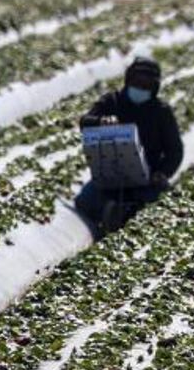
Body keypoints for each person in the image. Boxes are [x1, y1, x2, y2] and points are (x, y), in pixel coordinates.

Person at [76, 57, 183, 237]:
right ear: (128, 80)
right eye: (137, 82)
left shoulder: (161, 112)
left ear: (154, 87)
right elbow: (85, 122)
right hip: (111, 176)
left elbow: (175, 151)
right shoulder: (112, 102)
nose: (140, 88)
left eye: (146, 84)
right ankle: (102, 226)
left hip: (147, 180)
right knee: (85, 202)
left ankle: (125, 220)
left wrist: (163, 172)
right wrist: (100, 121)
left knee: (158, 210)